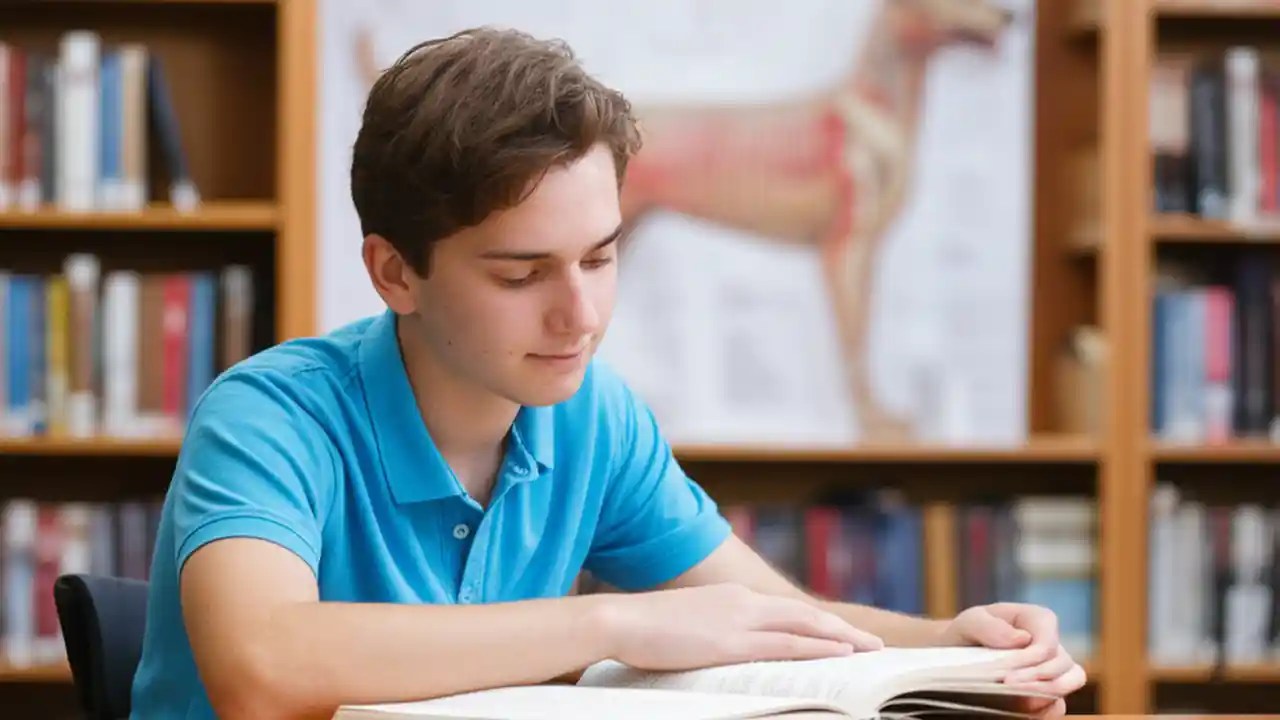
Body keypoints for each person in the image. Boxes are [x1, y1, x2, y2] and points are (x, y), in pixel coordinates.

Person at [129, 26, 1086, 720]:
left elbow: (765, 622)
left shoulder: (593, 417)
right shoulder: (267, 415)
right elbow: (261, 667)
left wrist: (956, 647)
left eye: (599, 257)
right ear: (395, 271)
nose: (582, 316)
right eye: (521, 273)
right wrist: (611, 624)